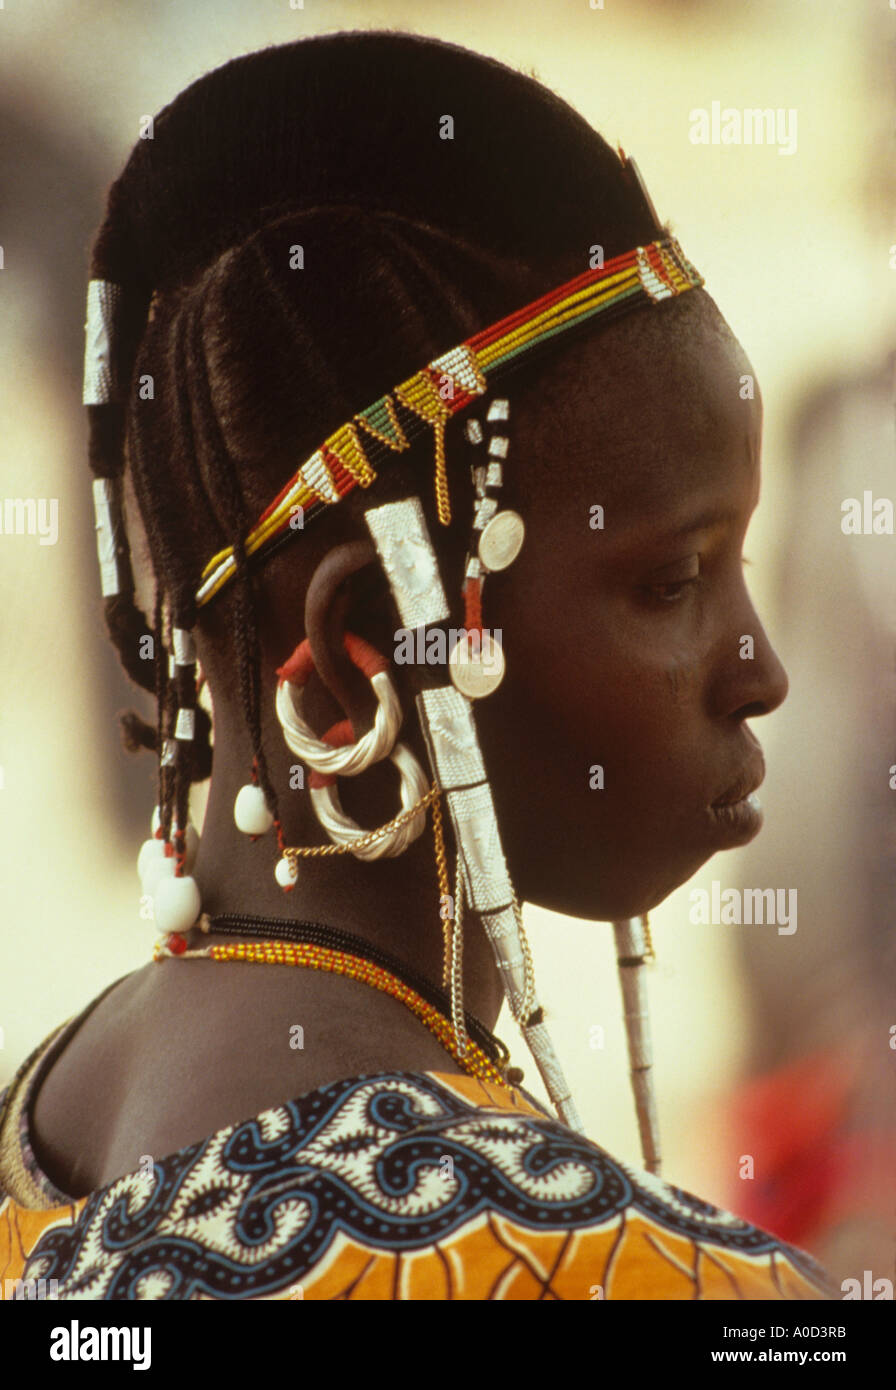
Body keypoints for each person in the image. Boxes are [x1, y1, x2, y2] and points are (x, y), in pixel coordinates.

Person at [0, 31, 835, 1301]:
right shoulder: (632, 1282)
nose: (757, 669)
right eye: (671, 580)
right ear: (354, 652)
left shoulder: (38, 1155)